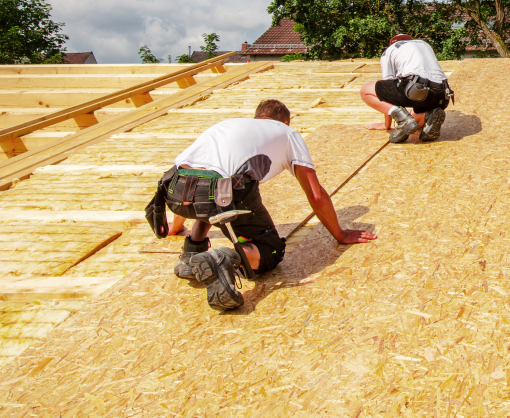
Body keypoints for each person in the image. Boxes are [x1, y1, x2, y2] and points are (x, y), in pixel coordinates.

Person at [148, 99, 376, 311]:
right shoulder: (287, 133)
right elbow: (316, 195)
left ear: (257, 117)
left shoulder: (227, 124)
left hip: (173, 188)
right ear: (285, 122)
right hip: (217, 190)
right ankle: (225, 258)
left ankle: (191, 254)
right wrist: (340, 234)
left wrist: (177, 225)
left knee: (211, 193)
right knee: (272, 250)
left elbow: (195, 178)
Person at [360, 33, 453, 143]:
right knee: (415, 122)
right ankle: (429, 115)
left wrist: (387, 125)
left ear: (392, 43)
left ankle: (404, 121)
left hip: (417, 90)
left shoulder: (390, 50)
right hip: (443, 96)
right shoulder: (424, 44)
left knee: (365, 90)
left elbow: (387, 88)